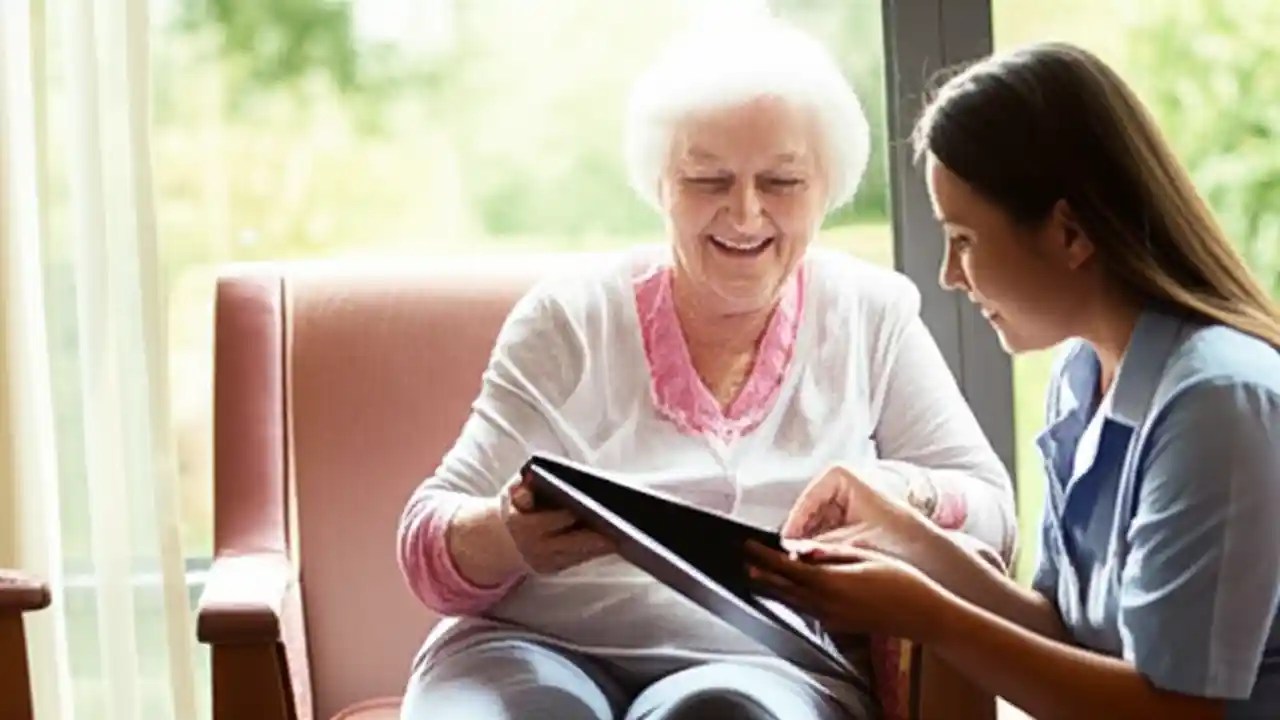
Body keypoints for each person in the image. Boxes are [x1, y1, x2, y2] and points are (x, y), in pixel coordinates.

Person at [394, 11, 1016, 720]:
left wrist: (904, 493)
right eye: (707, 179)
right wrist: (508, 537)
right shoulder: (569, 318)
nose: (745, 214)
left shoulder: (873, 316)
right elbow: (426, 545)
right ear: (659, 184)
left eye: (781, 181)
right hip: (532, 647)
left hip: (766, 665)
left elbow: (994, 520)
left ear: (829, 188)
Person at [748, 41, 1280, 719]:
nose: (949, 275)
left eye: (964, 240)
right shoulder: (1081, 375)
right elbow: (1062, 634)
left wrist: (927, 614)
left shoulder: (1219, 405)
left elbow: (1177, 711)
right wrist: (910, 540)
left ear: (1069, 234)